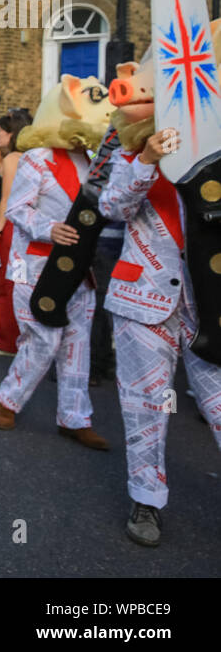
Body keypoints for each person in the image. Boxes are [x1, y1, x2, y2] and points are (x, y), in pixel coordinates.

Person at [100, 128, 221, 546]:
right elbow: (112, 206)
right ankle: (145, 499)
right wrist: (146, 161)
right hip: (142, 296)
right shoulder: (132, 154)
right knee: (145, 405)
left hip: (211, 300)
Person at [0, 87, 109, 450]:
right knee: (42, 338)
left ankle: (75, 418)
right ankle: (8, 400)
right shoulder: (36, 158)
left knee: (77, 343)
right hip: (38, 262)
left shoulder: (91, 161)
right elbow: (16, 209)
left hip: (79, 268)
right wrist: (49, 228)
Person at [0, 109, 32, 356]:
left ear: (12, 133)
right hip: (27, 225)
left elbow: (7, 201)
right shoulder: (34, 156)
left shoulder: (13, 158)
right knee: (21, 281)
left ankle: (8, 340)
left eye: (0, 130)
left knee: (7, 283)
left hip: (11, 227)